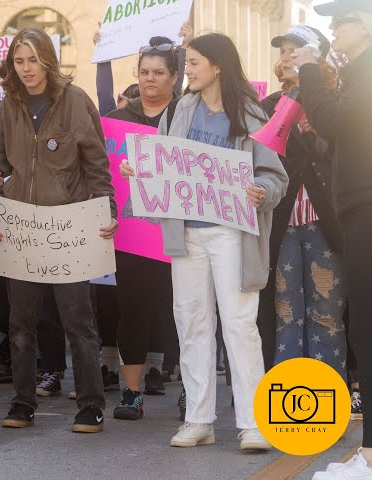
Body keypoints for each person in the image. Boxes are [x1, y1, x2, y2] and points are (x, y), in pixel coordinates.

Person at [121, 32, 287, 452]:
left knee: (239, 326)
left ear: (217, 66)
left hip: (233, 234)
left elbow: (274, 175)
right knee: (191, 323)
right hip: (187, 234)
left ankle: (253, 424)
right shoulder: (180, 110)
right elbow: (161, 164)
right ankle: (199, 419)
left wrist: (262, 191)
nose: (187, 70)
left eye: (193, 63)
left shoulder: (251, 113)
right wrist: (137, 170)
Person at [0, 27, 117, 434]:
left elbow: (97, 165)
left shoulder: (76, 101)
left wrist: (107, 210)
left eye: (33, 60)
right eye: (19, 61)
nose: (26, 69)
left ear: (48, 60)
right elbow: (4, 169)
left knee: (78, 321)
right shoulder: (8, 105)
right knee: (20, 323)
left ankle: (91, 404)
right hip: (23, 230)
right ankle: (23, 401)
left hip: (70, 228)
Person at [290, 0, 372, 480]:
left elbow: (333, 121)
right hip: (364, 205)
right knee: (369, 325)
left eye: (340, 21)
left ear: (364, 25)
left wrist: (309, 72)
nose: (333, 30)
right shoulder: (361, 74)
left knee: (370, 327)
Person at [95, 34, 185, 421]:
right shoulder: (116, 121)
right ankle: (131, 392)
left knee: (181, 309)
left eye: (159, 73)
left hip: (180, 229)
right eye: (144, 72)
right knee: (132, 307)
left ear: (174, 77)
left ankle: (190, 390)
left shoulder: (186, 117)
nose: (150, 79)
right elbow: (98, 172)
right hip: (132, 233)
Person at [259, 25, 347, 384]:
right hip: (281, 221)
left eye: (295, 50)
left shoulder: (333, 100)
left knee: (327, 309)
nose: (287, 57)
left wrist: (314, 129)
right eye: (283, 51)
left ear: (316, 56)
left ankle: (329, 392)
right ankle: (287, 392)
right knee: (285, 309)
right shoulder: (266, 106)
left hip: (325, 221)